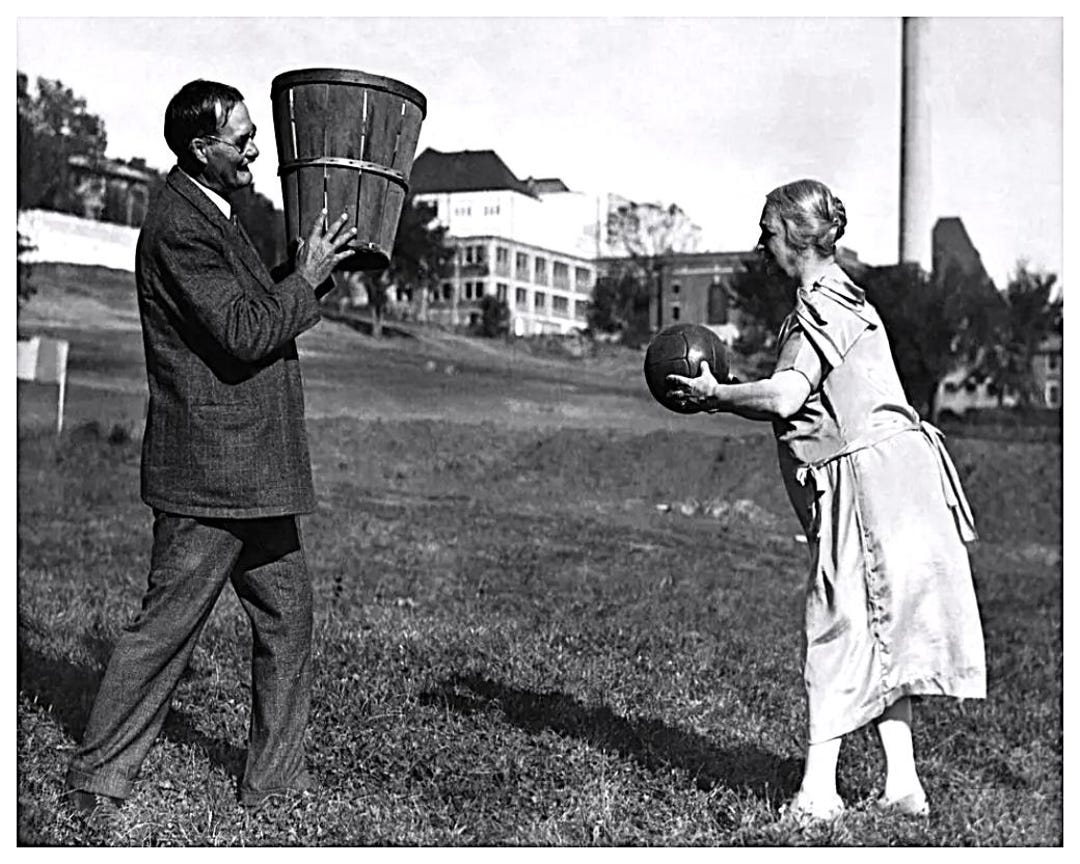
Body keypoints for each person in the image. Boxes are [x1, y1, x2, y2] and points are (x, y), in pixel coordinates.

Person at [63, 79, 357, 820]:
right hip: (210, 471)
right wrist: (307, 280)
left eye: (254, 134)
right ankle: (96, 782)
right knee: (166, 629)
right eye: (243, 138)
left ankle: (273, 783)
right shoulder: (179, 227)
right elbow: (245, 333)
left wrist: (306, 274)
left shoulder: (213, 212)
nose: (256, 149)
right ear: (202, 148)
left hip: (250, 470)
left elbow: (251, 309)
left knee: (288, 616)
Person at [667, 179, 986, 822]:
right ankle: (903, 786)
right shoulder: (846, 297)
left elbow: (787, 396)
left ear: (795, 235)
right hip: (895, 478)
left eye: (768, 230)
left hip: (870, 484)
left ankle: (818, 794)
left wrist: (715, 396)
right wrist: (738, 390)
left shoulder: (823, 303)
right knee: (881, 628)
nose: (762, 242)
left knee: (836, 625)